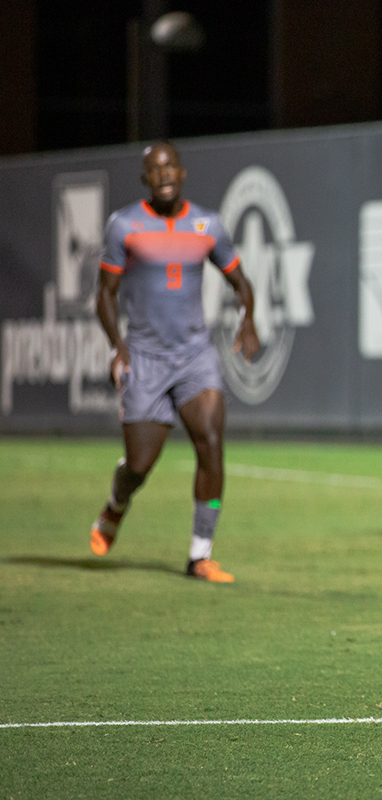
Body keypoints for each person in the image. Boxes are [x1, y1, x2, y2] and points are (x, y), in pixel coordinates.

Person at [91, 141, 258, 583]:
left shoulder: (209, 225)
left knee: (211, 441)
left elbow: (241, 281)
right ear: (146, 179)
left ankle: (200, 554)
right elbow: (104, 296)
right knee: (140, 466)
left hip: (195, 356)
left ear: (182, 173)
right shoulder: (124, 225)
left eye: (170, 167)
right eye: (154, 169)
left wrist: (249, 320)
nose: (163, 174)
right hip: (144, 358)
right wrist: (118, 346)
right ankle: (117, 503)